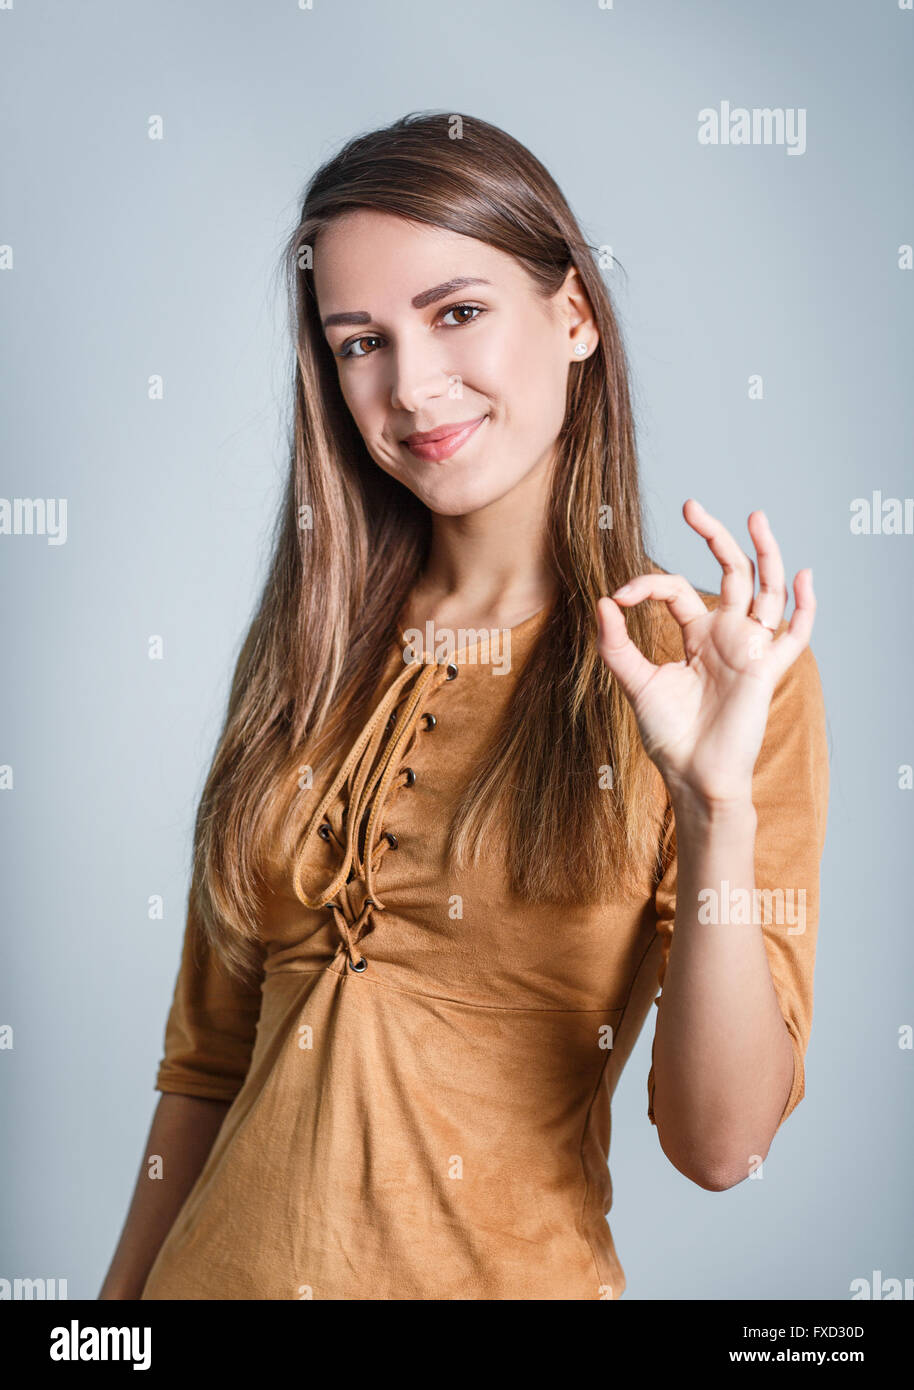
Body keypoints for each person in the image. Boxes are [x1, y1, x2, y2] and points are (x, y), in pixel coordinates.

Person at [99, 111, 829, 1301]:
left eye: (456, 312)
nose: (410, 382)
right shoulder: (300, 649)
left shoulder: (718, 674)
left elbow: (720, 1145)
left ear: (575, 314)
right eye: (357, 342)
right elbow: (205, 1066)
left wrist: (712, 808)